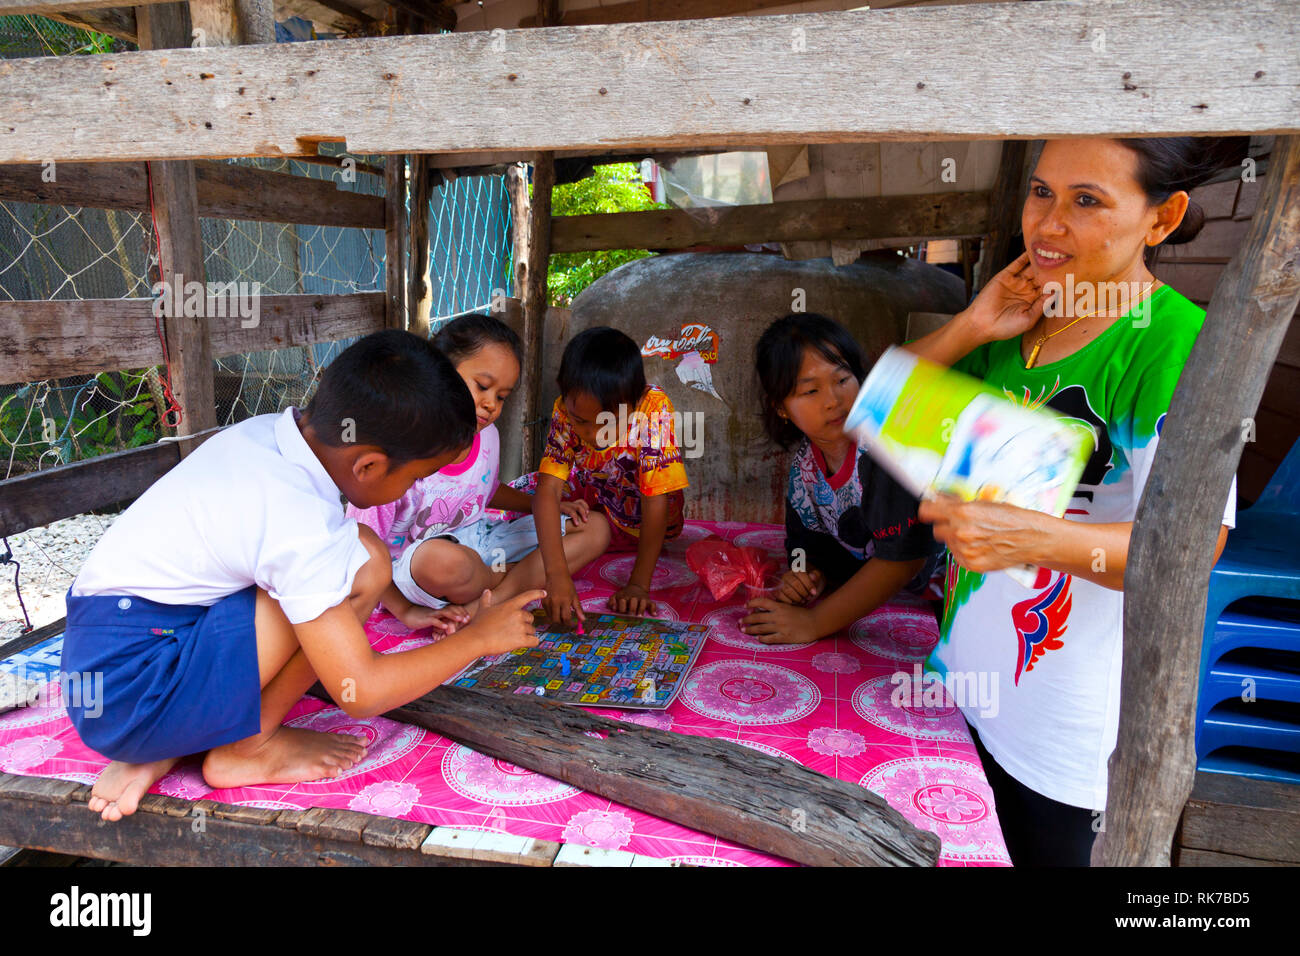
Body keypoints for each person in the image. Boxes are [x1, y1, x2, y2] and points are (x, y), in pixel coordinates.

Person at [908, 136, 1248, 866]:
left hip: (1061, 742)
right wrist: (973, 322)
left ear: (1162, 219)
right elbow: (878, 407)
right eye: (1041, 193)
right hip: (965, 692)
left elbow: (1192, 550)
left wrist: (1031, 539)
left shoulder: (1171, 346)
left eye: (1086, 200)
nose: (1048, 224)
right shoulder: (1015, 320)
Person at [62, 329, 543, 822]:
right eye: (416, 478)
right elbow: (362, 690)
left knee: (357, 553)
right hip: (135, 690)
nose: (414, 488)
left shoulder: (267, 435)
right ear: (371, 465)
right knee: (361, 565)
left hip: (109, 665)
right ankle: (247, 747)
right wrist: (477, 640)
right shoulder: (297, 520)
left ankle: (167, 746)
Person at [349, 314, 610, 623]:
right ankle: (518, 578)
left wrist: (551, 506)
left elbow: (483, 490)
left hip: (483, 544)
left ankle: (492, 598)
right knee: (443, 563)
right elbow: (358, 546)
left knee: (595, 528)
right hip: (416, 565)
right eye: (483, 387)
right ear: (440, 372)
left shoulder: (487, 436)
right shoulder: (398, 449)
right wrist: (405, 611)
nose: (492, 405)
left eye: (501, 397)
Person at [739, 313, 939, 644]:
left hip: (948, 602)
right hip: (899, 603)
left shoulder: (886, 446)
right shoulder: (805, 470)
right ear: (781, 409)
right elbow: (806, 546)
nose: (833, 401)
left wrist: (815, 622)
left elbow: (904, 560)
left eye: (842, 380)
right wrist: (806, 577)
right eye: (811, 391)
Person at [533, 326, 689, 624]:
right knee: (538, 495)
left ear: (637, 401)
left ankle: (501, 583)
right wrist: (556, 576)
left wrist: (638, 584)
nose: (593, 434)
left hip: (642, 524)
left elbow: (655, 499)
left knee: (570, 524)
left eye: (608, 422)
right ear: (562, 391)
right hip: (597, 501)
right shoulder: (563, 411)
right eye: (580, 421)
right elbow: (548, 490)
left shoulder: (653, 409)